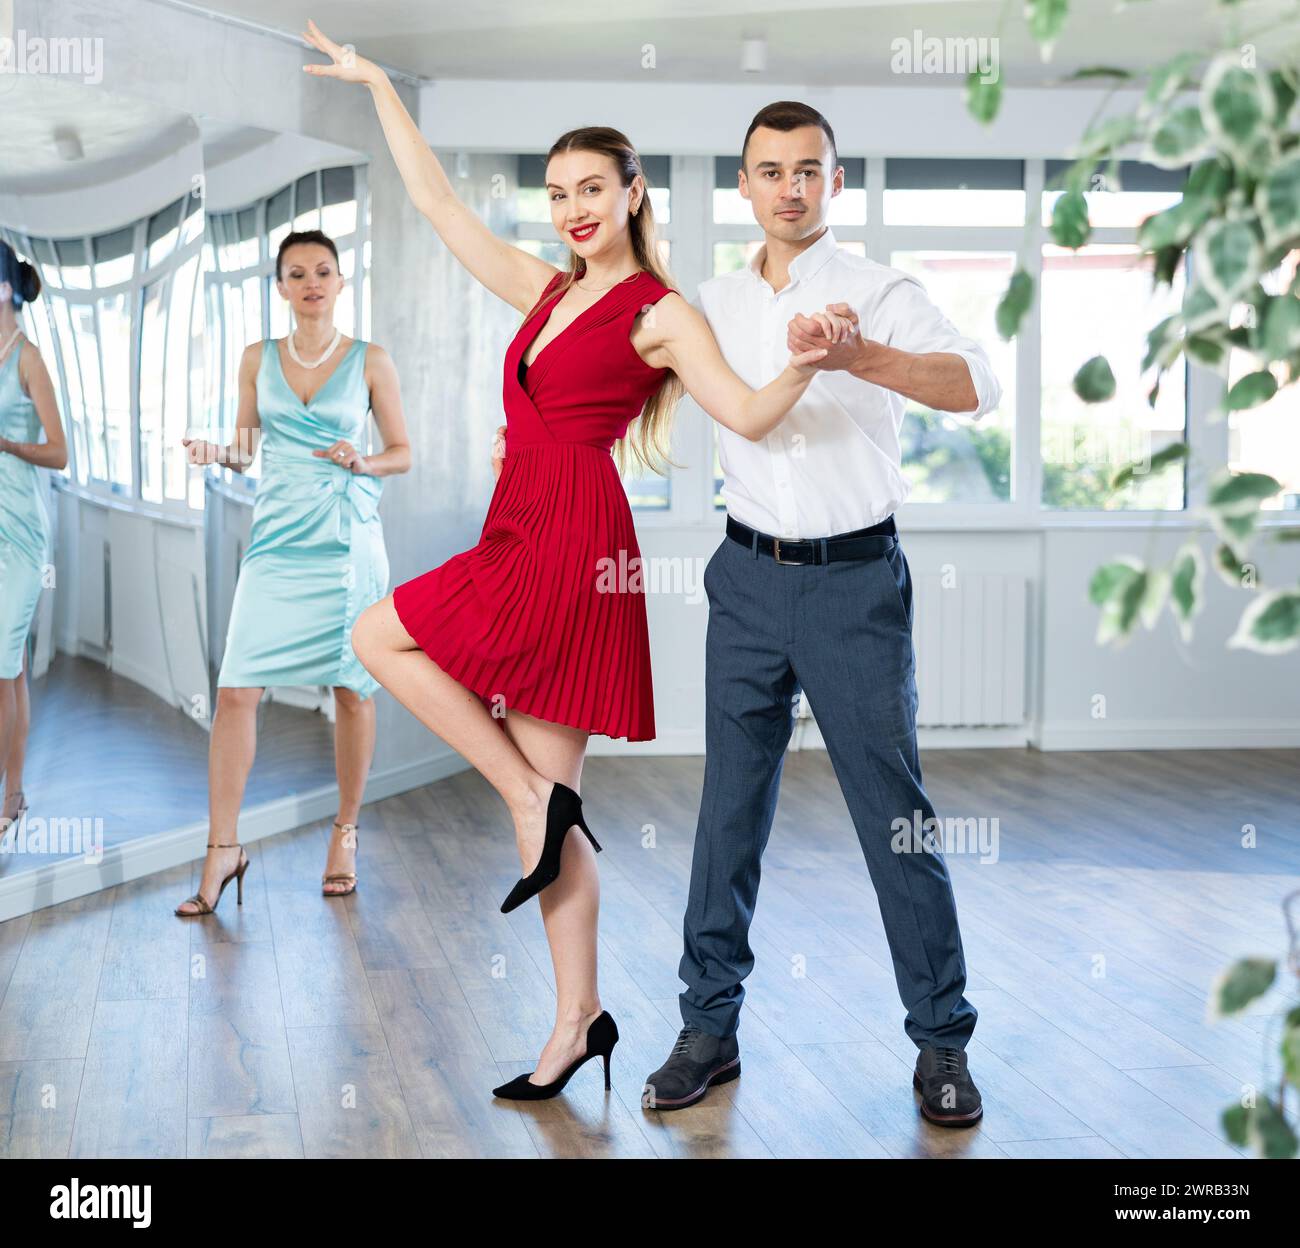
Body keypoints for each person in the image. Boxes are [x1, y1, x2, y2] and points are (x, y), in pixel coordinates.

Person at [301, 20, 856, 1101]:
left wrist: (806, 364)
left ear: (632, 193)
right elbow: (438, 206)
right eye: (556, 193)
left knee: (404, 658)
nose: (572, 209)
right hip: (517, 524)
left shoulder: (658, 313)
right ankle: (572, 987)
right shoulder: (546, 291)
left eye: (591, 188)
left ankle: (556, 947)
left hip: (575, 540)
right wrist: (375, 83)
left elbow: (740, 412)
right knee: (411, 665)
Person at [642, 101, 1002, 1126]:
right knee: (727, 814)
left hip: (854, 585)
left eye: (809, 169)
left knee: (897, 821)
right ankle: (706, 1030)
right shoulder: (707, 298)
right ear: (745, 187)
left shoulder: (876, 290)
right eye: (769, 170)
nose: (789, 187)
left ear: (833, 183)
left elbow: (974, 384)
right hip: (745, 579)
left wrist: (857, 358)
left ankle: (942, 1045)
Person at [175, 229, 410, 915]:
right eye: (298, 273)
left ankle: (345, 831)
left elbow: (402, 451)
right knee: (237, 691)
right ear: (281, 287)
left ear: (340, 283)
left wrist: (363, 460)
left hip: (345, 543)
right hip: (276, 541)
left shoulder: (371, 361)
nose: (312, 282)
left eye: (324, 271)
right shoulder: (257, 359)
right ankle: (223, 848)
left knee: (350, 690)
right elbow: (248, 451)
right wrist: (214, 450)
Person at [0, 240, 67, 841]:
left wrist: (7, 445)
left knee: (1, 666)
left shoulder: (29, 359)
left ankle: (11, 795)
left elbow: (59, 451)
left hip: (19, 532)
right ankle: (12, 789)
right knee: (10, 664)